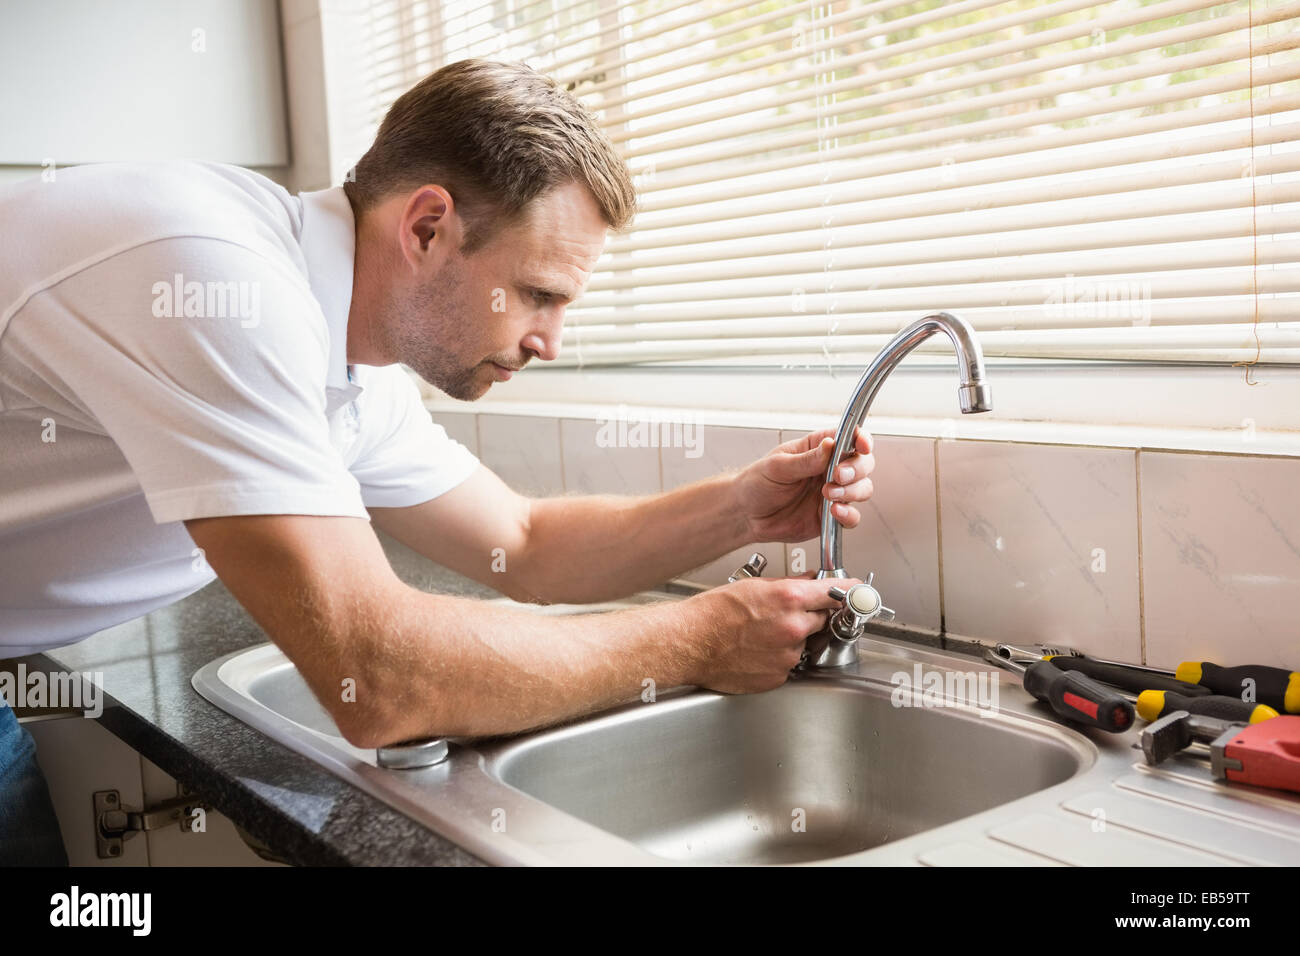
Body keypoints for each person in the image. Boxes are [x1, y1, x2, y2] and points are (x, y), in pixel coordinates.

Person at [0, 59, 874, 863]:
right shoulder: (213, 280)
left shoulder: (349, 362)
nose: (550, 341)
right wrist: (698, 639)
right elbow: (374, 676)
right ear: (427, 226)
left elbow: (526, 545)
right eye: (538, 294)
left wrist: (742, 508)